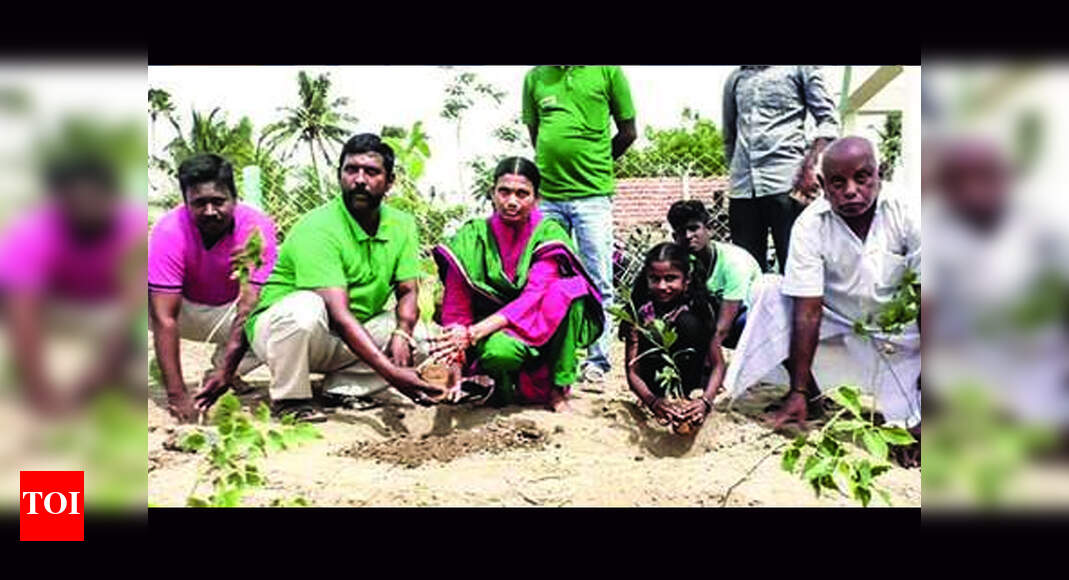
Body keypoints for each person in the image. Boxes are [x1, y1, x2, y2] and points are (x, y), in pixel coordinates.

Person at [195, 133, 444, 421]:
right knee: (305, 308)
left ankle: (343, 388)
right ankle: (291, 400)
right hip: (292, 333)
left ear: (390, 182)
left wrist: (402, 333)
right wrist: (394, 375)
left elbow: (408, 290)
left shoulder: (402, 224)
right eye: (351, 170)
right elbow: (337, 314)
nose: (359, 180)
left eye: (372, 172)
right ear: (339, 176)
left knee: (423, 339)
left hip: (348, 335)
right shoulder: (318, 227)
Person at [719, 137, 922, 465]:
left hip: (907, 342)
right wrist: (798, 389)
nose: (851, 190)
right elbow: (808, 311)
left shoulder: (911, 211)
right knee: (769, 291)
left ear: (879, 175)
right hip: (842, 331)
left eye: (862, 177)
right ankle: (809, 397)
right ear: (823, 185)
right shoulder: (810, 225)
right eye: (838, 183)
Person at [428, 157, 604, 412]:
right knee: (498, 353)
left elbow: (533, 297)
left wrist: (472, 333)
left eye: (522, 194)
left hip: (542, 327)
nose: (512, 201)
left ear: (537, 199)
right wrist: (454, 368)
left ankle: (558, 389)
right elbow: (457, 306)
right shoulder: (471, 237)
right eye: (504, 192)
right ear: (492, 193)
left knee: (569, 292)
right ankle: (498, 388)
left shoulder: (549, 234)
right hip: (494, 334)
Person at [0, 155, 146, 415]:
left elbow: (130, 308)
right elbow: (23, 312)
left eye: (96, 199)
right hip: (43, 308)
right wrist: (41, 389)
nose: (87, 208)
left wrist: (96, 377)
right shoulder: (31, 232)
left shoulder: (131, 227)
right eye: (76, 202)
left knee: (131, 383)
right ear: (60, 203)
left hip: (100, 310)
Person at [522, 65, 637, 384]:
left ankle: (597, 361)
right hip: (548, 198)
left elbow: (629, 132)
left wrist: (598, 165)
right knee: (542, 278)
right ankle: (550, 357)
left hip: (592, 197)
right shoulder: (534, 77)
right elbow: (537, 135)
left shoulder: (608, 72)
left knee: (598, 277)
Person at [148, 154, 279, 423]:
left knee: (275, 314)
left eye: (218, 201)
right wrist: (177, 395)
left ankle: (223, 369)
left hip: (232, 313)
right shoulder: (168, 230)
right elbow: (164, 317)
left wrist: (226, 370)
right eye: (199, 203)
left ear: (234, 197)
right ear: (185, 202)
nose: (210, 211)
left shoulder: (256, 227)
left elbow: (248, 307)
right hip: (183, 310)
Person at [722, 65, 840, 273]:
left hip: (787, 184)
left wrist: (811, 166)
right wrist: (734, 175)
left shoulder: (799, 69)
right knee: (746, 271)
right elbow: (729, 135)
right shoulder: (736, 78)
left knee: (796, 267)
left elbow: (829, 121)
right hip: (743, 189)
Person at [667, 199, 762, 396]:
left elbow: (724, 327)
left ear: (708, 229)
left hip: (750, 321)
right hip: (714, 318)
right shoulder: (685, 263)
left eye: (694, 229)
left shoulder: (734, 263)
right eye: (681, 231)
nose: (688, 236)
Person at [620, 242, 716, 431]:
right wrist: (652, 401)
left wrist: (705, 401)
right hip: (655, 384)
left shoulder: (699, 308)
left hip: (695, 382)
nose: (663, 286)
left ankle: (688, 397)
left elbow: (718, 364)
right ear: (647, 279)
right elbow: (632, 370)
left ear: (686, 280)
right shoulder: (640, 313)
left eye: (671, 278)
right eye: (655, 279)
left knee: (687, 323)